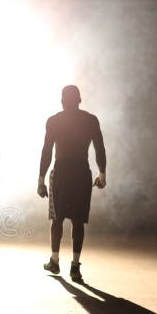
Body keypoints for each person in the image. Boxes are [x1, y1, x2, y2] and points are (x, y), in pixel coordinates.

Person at [37, 85, 106, 283]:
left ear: (62, 101)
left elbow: (47, 151)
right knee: (78, 219)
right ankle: (75, 266)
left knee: (56, 218)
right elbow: (100, 148)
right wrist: (102, 173)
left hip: (61, 172)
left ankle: (55, 260)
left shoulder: (54, 121)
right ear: (80, 100)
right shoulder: (90, 120)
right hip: (81, 172)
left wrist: (41, 179)